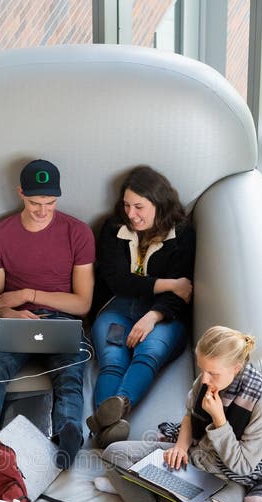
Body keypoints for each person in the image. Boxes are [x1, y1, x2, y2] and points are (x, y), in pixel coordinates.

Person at [99, 326, 262, 502]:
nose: (205, 379)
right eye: (202, 369)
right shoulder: (207, 380)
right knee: (113, 453)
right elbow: (189, 417)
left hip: (236, 477)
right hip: (198, 455)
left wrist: (219, 420)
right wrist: (180, 447)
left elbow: (242, 466)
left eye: (213, 373)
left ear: (236, 367)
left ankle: (137, 487)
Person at [0, 159, 95, 469]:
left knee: (70, 377)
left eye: (50, 203)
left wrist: (27, 294)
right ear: (20, 193)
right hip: (15, 322)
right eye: (35, 202)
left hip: (61, 320)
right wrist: (12, 312)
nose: (43, 210)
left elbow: (82, 304)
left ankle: (68, 437)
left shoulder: (77, 233)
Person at [86, 165, 196, 449]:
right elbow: (120, 282)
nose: (131, 214)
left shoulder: (182, 234)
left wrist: (153, 316)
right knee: (112, 359)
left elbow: (183, 293)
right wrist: (170, 283)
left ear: (159, 203)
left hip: (164, 312)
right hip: (116, 306)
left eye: (139, 206)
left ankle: (111, 416)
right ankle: (110, 427)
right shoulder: (112, 229)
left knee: (149, 352)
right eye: (126, 205)